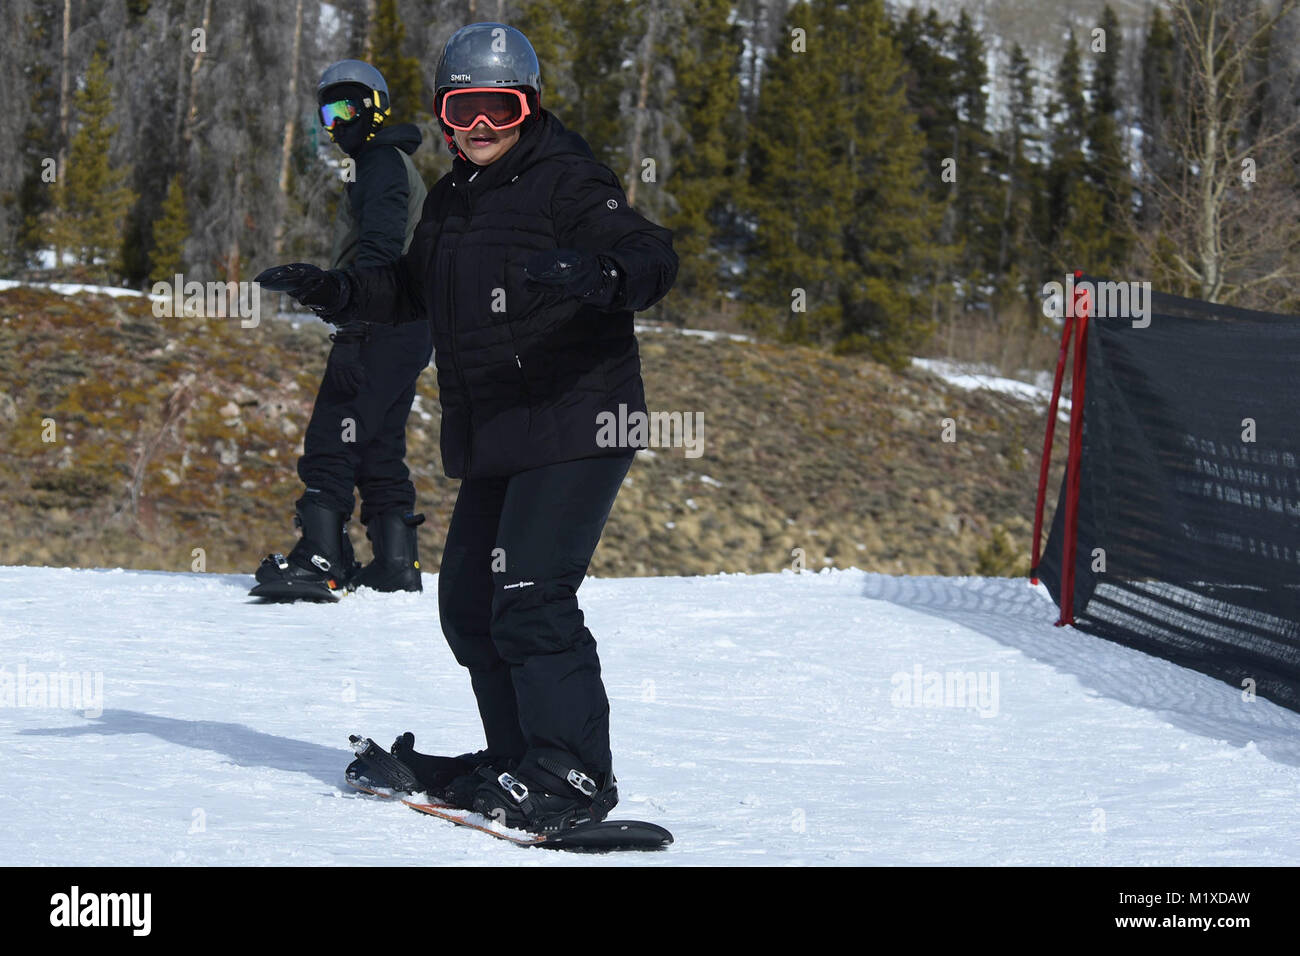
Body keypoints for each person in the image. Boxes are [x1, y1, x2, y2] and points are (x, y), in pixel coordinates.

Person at [257, 22, 677, 832]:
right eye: (463, 109)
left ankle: (574, 776)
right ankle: (522, 756)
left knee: (531, 596)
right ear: (445, 115)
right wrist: (336, 291)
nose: (480, 127)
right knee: (470, 607)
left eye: (499, 107)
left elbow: (650, 254)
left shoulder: (568, 180)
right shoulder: (452, 196)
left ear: (528, 107)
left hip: (578, 419)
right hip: (499, 432)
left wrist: (604, 272)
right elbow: (408, 293)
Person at [251, 60, 432, 601]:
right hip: (409, 324)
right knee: (377, 441)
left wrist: (348, 295)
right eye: (329, 112)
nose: (338, 122)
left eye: (349, 107)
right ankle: (396, 563)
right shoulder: (388, 161)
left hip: (380, 320)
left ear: (376, 108)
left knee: (334, 433)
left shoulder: (379, 161)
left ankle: (320, 558)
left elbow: (381, 242)